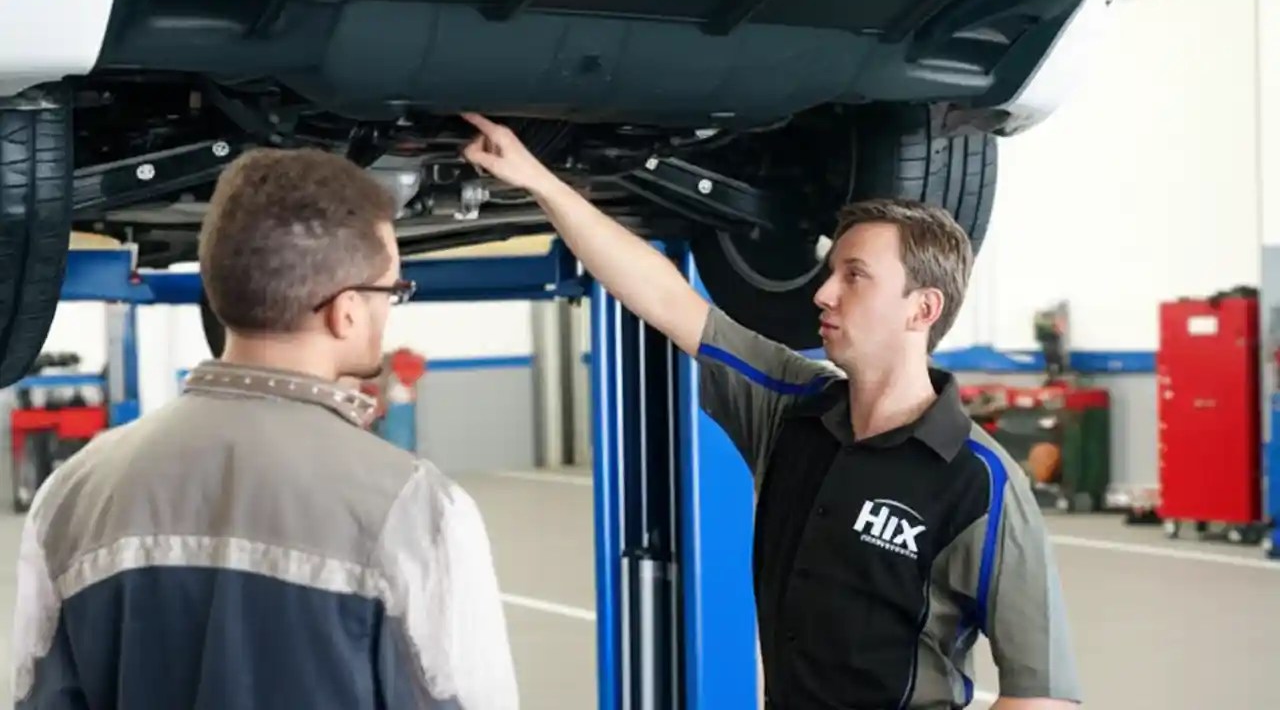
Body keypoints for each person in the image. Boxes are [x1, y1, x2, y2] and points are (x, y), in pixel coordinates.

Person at [459, 113, 1080, 710]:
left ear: (922, 309)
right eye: (830, 271)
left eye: (854, 276)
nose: (823, 292)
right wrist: (539, 179)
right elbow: (666, 298)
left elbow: (1041, 693)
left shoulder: (980, 482)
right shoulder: (790, 410)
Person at [10, 148, 518, 709]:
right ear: (347, 311)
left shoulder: (71, 494)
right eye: (393, 290)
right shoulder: (415, 508)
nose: (392, 307)